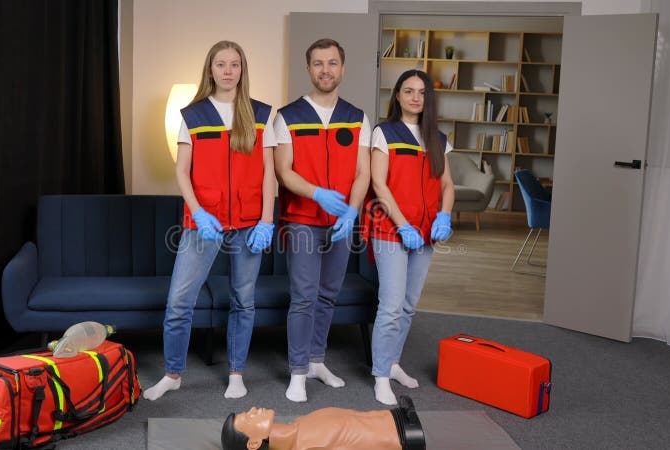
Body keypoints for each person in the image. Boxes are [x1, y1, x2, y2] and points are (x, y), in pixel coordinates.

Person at [143, 40, 276, 401]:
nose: (228, 71)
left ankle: (236, 373)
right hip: (203, 224)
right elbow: (181, 171)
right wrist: (198, 213)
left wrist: (267, 219)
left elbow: (268, 173)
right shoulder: (193, 115)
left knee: (243, 301)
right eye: (221, 64)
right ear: (211, 70)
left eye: (235, 64)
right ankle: (173, 374)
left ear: (242, 71)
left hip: (249, 224)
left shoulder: (262, 114)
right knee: (179, 303)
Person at [273, 38, 371, 402]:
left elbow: (363, 171)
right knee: (303, 296)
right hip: (301, 219)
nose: (325, 70)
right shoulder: (288, 116)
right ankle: (297, 371)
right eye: (318, 64)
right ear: (309, 69)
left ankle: (316, 360)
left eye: (332, 63)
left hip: (342, 223)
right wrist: (317, 193)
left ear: (342, 68)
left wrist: (352, 209)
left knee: (328, 295)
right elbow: (283, 170)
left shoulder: (358, 116)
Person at [365, 69, 455, 405]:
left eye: (421, 92)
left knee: (408, 306)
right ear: (398, 96)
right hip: (392, 231)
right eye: (408, 91)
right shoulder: (384, 133)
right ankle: (379, 376)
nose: (415, 97)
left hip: (428, 232)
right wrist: (403, 224)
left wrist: (444, 215)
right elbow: (379, 184)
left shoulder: (439, 139)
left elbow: (446, 184)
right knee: (390, 306)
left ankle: (393, 363)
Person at [221, 396, 425, 450]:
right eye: (247, 417)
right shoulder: (307, 447)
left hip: (398, 415)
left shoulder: (301, 422)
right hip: (406, 436)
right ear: (254, 443)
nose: (253, 410)